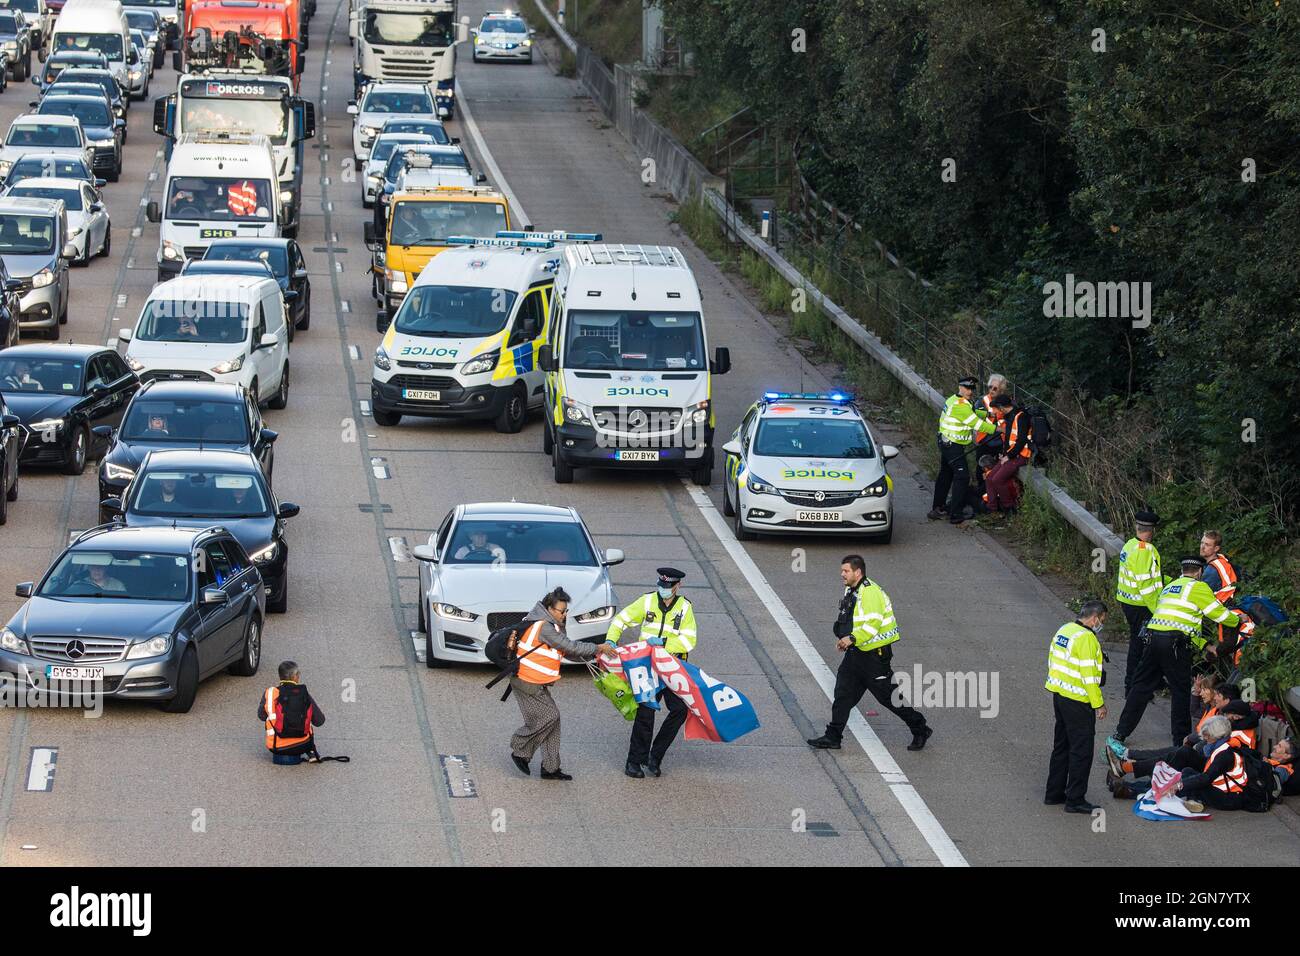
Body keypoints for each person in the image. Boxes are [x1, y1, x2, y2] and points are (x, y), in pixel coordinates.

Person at [1110, 555, 1244, 750]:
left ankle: (1120, 733)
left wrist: (1205, 644)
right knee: (1180, 691)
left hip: (1153, 639)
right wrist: (1238, 619)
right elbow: (1219, 614)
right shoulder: (1197, 587)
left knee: (1140, 687)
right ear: (1199, 572)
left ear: (1183, 571)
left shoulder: (1169, 589)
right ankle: (1180, 742)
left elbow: (1180, 623)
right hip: (1174, 645)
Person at [808, 556, 932, 752]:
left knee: (888, 698)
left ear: (857, 572)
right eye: (842, 571)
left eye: (846, 571)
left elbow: (872, 624)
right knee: (843, 694)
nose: (842, 574)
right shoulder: (851, 589)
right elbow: (852, 619)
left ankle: (920, 727)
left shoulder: (871, 592)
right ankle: (833, 737)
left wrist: (852, 638)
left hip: (875, 656)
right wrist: (847, 639)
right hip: (856, 653)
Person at [509, 587, 617, 780]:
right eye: (561, 611)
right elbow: (570, 646)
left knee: (553, 721)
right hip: (526, 681)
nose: (565, 614)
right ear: (548, 609)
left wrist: (594, 656)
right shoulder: (544, 627)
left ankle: (550, 768)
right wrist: (598, 647)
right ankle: (520, 750)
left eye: (566, 610)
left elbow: (565, 651)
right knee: (550, 716)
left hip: (536, 681)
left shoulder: (553, 626)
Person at [605, 568, 698, 779]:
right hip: (647, 667)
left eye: (668, 587)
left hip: (674, 668)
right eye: (661, 585)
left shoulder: (685, 608)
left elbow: (689, 640)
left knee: (680, 711)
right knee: (645, 714)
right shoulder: (647, 602)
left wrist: (664, 642)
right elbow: (621, 620)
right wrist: (611, 638)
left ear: (678, 586)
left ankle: (655, 757)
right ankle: (634, 762)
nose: (663, 590)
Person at [1044, 600, 1108, 813]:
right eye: (1102, 620)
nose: (1101, 625)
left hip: (1060, 695)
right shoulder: (1088, 639)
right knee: (1081, 751)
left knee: (1061, 746)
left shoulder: (1065, 630)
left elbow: (1053, 660)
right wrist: (1099, 704)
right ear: (1094, 617)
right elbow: (1090, 677)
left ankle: (1054, 793)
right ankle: (1075, 799)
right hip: (1079, 701)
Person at [928, 375, 995, 524]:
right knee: (962, 477)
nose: (970, 391)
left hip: (946, 443)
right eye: (967, 388)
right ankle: (955, 514)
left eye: (972, 388)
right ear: (960, 387)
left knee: (945, 474)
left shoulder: (955, 400)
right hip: (952, 445)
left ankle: (937, 508)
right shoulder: (960, 406)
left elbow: (973, 412)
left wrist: (989, 414)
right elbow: (977, 425)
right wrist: (998, 429)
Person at [1115, 510, 1164, 696]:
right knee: (1140, 645)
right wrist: (1158, 610)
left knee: (1144, 643)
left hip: (1129, 602)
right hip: (1142, 606)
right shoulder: (1145, 550)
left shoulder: (1130, 545)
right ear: (1151, 531)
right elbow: (1146, 585)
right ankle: (1133, 686)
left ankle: (1152, 681)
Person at [258, 660, 326, 764]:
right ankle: (311, 751)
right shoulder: (303, 694)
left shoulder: (270, 693)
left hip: (277, 746)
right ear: (295, 676)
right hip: (302, 745)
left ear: (280, 676)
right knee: (308, 720)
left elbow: (261, 716)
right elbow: (319, 721)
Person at [983, 394, 1031, 514]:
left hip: (1020, 456)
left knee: (997, 479)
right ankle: (992, 508)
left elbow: (1021, 441)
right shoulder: (1010, 417)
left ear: (1002, 408)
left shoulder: (1021, 417)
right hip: (1011, 455)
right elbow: (1009, 439)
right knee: (990, 478)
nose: (997, 412)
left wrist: (1008, 456)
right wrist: (1004, 454)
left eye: (997, 409)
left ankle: (1009, 508)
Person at [1198, 530, 1238, 656]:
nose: (1202, 547)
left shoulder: (1211, 570)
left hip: (1226, 611)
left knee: (1222, 650)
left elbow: (1198, 596)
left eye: (1207, 545)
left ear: (1216, 548)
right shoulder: (1221, 560)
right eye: (1202, 543)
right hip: (1231, 607)